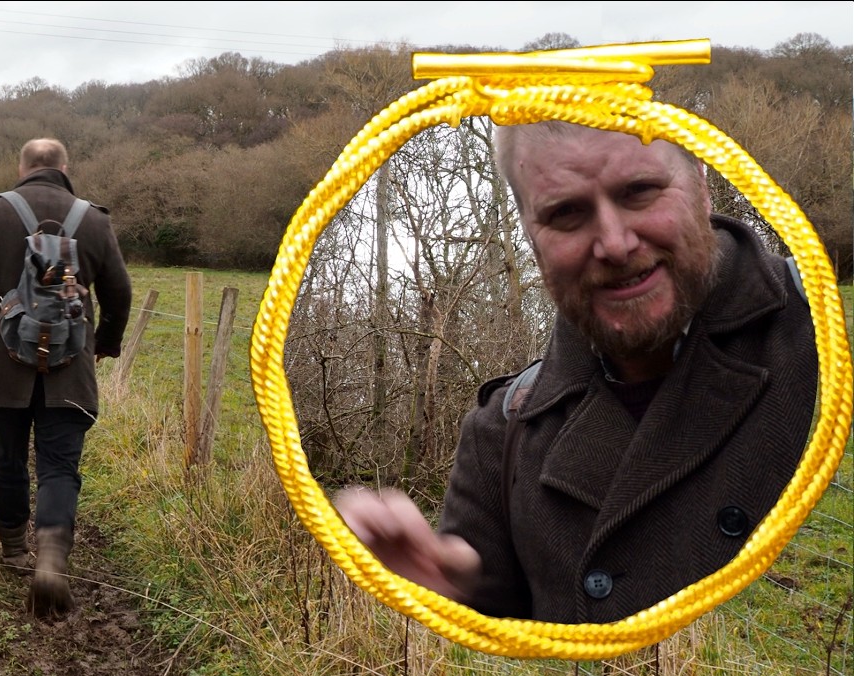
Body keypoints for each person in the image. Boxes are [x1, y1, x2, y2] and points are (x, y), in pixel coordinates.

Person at [335, 121, 819, 624]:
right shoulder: (502, 433)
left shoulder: (826, 339)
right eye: (566, 213)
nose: (615, 244)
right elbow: (504, 633)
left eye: (639, 191)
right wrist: (456, 589)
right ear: (531, 235)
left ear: (701, 182)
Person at [0, 137, 132, 620]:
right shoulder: (94, 219)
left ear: (22, 168)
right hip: (70, 367)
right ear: (65, 168)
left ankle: (15, 548)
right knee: (59, 466)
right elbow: (120, 292)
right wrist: (105, 342)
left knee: (8, 459)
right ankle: (52, 555)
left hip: (3, 365)